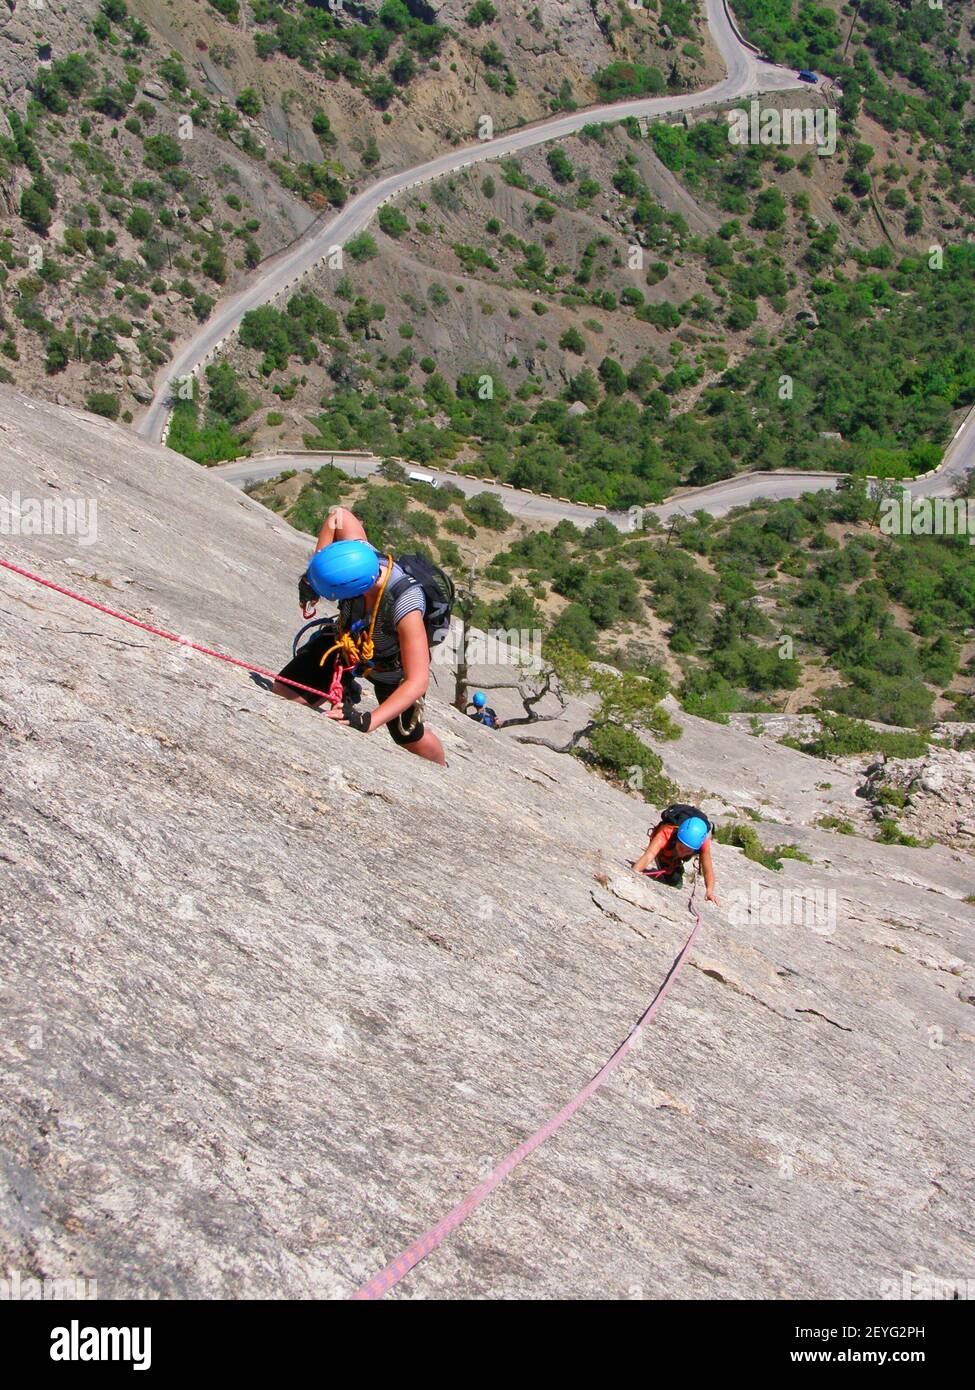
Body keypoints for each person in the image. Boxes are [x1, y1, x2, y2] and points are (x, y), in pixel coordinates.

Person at [273, 506, 446, 766]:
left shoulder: (405, 602)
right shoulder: (359, 554)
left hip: (389, 667)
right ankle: (345, 689)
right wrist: (313, 577)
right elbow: (337, 515)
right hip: (347, 643)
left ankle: (442, 767)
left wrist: (369, 721)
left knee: (409, 737)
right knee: (286, 692)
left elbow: (417, 681)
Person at [633, 805, 719, 904]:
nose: (682, 852)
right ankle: (664, 858)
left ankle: (678, 862)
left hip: (680, 848)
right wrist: (634, 872)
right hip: (667, 848)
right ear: (677, 837)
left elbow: (708, 870)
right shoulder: (666, 833)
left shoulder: (702, 842)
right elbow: (648, 855)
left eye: (688, 850)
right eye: (681, 847)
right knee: (673, 879)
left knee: (676, 882)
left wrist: (709, 891)